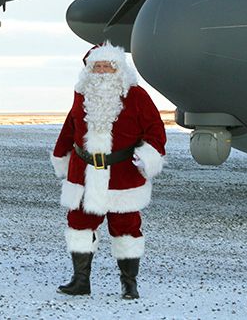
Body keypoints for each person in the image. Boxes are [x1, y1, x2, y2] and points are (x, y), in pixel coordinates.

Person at [51, 41, 166, 300]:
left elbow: (156, 130)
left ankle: (129, 284)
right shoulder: (82, 94)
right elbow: (70, 126)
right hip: (83, 172)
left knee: (126, 228)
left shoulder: (137, 95)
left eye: (108, 66)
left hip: (122, 174)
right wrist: (60, 154)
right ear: (89, 70)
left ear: (119, 69)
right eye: (97, 67)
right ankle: (81, 281)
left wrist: (147, 156)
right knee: (79, 225)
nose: (102, 71)